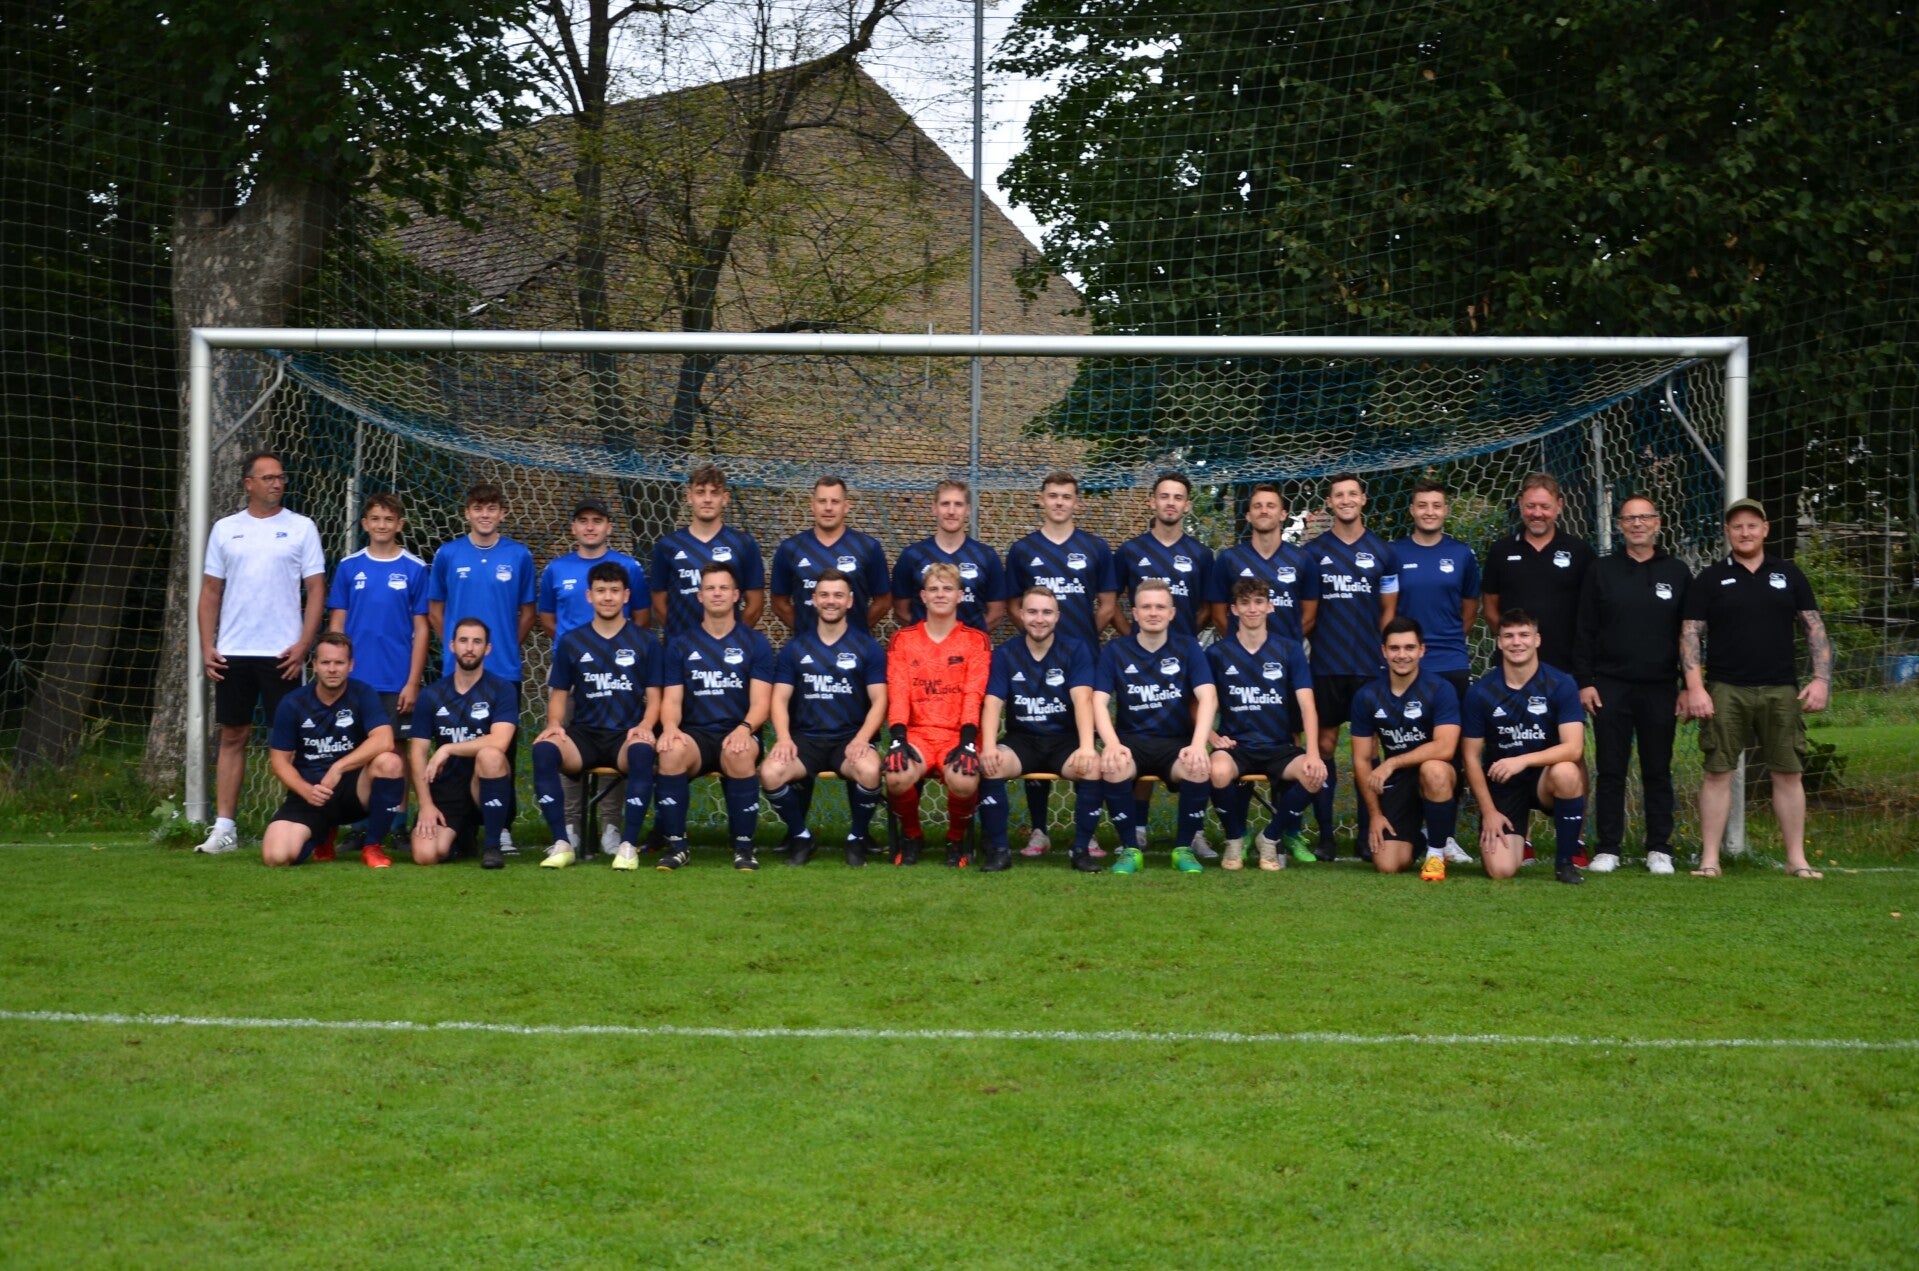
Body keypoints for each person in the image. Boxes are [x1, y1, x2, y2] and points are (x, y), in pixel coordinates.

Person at [1681, 498, 1832, 880]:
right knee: (1717, 771)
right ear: (1728, 533)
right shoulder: (1710, 578)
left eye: (1752, 525)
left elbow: (1813, 627)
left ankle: (1796, 859)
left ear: (1765, 529)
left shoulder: (1789, 575)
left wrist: (1821, 679)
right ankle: (1710, 859)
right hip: (1725, 688)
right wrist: (1695, 687)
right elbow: (1690, 634)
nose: (1744, 532)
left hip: (1782, 689)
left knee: (1788, 772)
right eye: (1736, 527)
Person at [194, 450, 327, 855]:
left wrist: (305, 644)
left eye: (280, 477)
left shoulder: (302, 528)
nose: (276, 483)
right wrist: (207, 646)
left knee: (295, 741)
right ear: (248, 483)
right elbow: (211, 591)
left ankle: (306, 823)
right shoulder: (224, 529)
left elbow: (317, 589)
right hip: (233, 652)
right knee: (232, 735)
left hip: (283, 654)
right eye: (267, 477)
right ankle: (224, 828)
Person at [1573, 495, 1693, 875]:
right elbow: (1584, 630)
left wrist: (1690, 685)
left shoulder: (1677, 572)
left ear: (1657, 523)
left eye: (1645, 517)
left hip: (1660, 687)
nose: (1637, 524)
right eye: (1630, 518)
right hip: (1610, 686)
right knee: (1610, 769)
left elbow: (1689, 635)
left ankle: (1659, 848)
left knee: (1657, 769)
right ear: (1620, 525)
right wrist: (1585, 682)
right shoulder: (1601, 570)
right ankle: (1608, 847)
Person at [1004, 471, 1119, 854]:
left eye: (1066, 497)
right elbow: (1011, 604)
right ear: (1041, 499)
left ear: (1077, 503)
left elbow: (1106, 605)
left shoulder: (1096, 548)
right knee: (1034, 733)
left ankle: (1085, 832)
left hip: (1081, 662)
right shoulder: (1023, 550)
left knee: (1083, 744)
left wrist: (1080, 634)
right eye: (1052, 496)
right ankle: (1040, 829)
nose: (1059, 502)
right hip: (1034, 661)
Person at [530, 561, 664, 871]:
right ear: (589, 596)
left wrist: (645, 725)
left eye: (614, 591)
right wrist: (553, 725)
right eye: (601, 591)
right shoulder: (572, 641)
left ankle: (628, 845)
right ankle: (563, 842)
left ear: (626, 595)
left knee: (643, 752)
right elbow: (560, 693)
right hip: (584, 736)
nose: (607, 597)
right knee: (544, 750)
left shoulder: (645, 642)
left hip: (624, 736)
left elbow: (656, 695)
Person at [426, 482, 536, 852]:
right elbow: (436, 608)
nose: (485, 515)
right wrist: (456, 648)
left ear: (502, 513)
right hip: (455, 675)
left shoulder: (519, 556)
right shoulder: (448, 554)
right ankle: (456, 826)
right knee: (453, 751)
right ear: (467, 513)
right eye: (478, 508)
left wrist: (501, 646)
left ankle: (501, 827)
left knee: (499, 753)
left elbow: (528, 611)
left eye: (492, 508)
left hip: (502, 671)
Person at [537, 495, 649, 856]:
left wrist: (614, 650)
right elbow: (546, 618)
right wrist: (581, 649)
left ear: (608, 526)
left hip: (620, 667)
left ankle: (611, 827)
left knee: (618, 736)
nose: (589, 526)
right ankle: (569, 827)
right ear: (573, 527)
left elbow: (642, 617)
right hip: (572, 668)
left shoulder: (627, 566)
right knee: (565, 743)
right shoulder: (556, 568)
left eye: (597, 520)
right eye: (582, 520)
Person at [759, 569, 888, 867]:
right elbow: (779, 698)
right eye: (825, 595)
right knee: (770, 773)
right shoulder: (795, 647)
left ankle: (856, 838)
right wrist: (784, 738)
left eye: (838, 595)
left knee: (869, 771)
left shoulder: (867, 647)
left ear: (850, 601)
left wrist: (862, 739)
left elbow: (880, 700)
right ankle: (801, 836)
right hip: (805, 741)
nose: (831, 601)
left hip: (848, 739)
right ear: (814, 600)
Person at [326, 493, 430, 860]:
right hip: (355, 681)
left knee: (396, 752)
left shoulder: (415, 568)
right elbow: (337, 624)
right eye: (375, 518)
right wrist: (334, 671)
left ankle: (397, 824)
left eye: (389, 519)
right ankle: (359, 824)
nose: (382, 524)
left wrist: (412, 680)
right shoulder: (349, 566)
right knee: (356, 750)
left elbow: (422, 629)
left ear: (400, 524)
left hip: (395, 679)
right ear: (365, 523)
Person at [654, 563, 777, 871]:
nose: (717, 593)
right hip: (695, 736)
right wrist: (670, 727)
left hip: (737, 729)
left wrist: (745, 729)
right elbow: (671, 699)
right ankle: (677, 846)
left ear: (736, 595)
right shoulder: (681, 644)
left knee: (739, 752)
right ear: (699, 596)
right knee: (669, 750)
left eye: (723, 588)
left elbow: (762, 702)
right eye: (710, 588)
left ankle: (744, 848)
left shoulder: (755, 643)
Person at [1092, 578, 1218, 875]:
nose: (1153, 613)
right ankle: (1129, 849)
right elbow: (1098, 702)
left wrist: (1199, 745)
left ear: (1172, 613)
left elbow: (1208, 696)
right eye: (1146, 607)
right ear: (1134, 613)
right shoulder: (1116, 650)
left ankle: (1183, 848)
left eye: (1160, 607)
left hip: (1175, 744)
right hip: (1131, 742)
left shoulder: (1188, 647)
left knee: (1199, 767)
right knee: (1113, 766)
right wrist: (1111, 744)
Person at [1305, 473, 1400, 861]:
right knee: (1324, 745)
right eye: (1338, 495)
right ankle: (1326, 836)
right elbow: (1307, 610)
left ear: (1363, 499)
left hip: (1367, 666)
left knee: (1366, 749)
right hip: (1326, 664)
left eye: (1352, 494)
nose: (1345, 500)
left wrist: (1384, 658)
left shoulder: (1383, 551)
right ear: (1329, 503)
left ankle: (1367, 833)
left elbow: (1389, 610)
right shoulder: (1312, 552)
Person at [978, 587, 1101, 872]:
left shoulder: (1075, 649)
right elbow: (993, 703)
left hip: (1064, 741)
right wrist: (988, 747)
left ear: (1057, 617)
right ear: (1021, 615)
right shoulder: (1006, 653)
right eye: (1032, 612)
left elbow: (1083, 699)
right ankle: (998, 850)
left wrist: (1085, 746)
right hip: (1023, 741)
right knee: (991, 765)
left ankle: (1080, 850)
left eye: (1046, 612)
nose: (1039, 619)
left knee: (1093, 767)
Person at [1461, 609, 1589, 884]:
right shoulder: (1480, 691)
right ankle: (1512, 838)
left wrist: (1523, 760)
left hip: (1544, 778)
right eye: (1508, 636)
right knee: (1500, 871)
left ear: (1537, 640)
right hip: (1503, 783)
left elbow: (1574, 748)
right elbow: (1470, 757)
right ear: (1499, 642)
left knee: (1567, 771)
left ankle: (1566, 861)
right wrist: (1489, 812)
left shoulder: (1561, 683)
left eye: (1523, 635)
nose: (1516, 642)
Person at [1205, 579, 1325, 871]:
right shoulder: (1218, 654)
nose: (1252, 609)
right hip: (1237, 746)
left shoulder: (1289, 650)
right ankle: (1235, 837)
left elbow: (1307, 704)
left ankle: (1269, 838)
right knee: (1216, 770)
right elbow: (1199, 703)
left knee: (1315, 775)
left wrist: (1312, 751)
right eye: (1245, 603)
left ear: (1270, 606)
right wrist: (1211, 736)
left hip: (1279, 746)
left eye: (1259, 602)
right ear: (1233, 609)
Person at [259, 632, 406, 867]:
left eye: (339, 663)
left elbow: (384, 740)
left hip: (353, 791)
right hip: (311, 793)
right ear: (314, 665)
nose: (332, 669)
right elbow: (279, 761)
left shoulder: (363, 693)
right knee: (276, 857)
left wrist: (339, 767)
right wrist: (305, 790)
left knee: (390, 762)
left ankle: (373, 846)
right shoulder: (293, 702)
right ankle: (322, 834)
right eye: (326, 662)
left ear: (350, 665)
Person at [1388, 478, 1478, 864]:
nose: (1429, 511)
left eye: (1436, 505)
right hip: (1405, 667)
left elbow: (1470, 608)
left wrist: (1445, 641)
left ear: (1445, 510)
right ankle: (1405, 830)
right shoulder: (1393, 554)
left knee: (1448, 755)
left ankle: (1445, 835)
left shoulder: (1462, 554)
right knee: (1403, 745)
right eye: (1422, 505)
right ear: (1412, 510)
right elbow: (1388, 611)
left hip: (1450, 665)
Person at [882, 563, 992, 866]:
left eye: (947, 589)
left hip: (957, 734)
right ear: (923, 596)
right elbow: (899, 691)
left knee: (965, 779)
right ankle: (913, 835)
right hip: (917, 733)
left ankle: (956, 839)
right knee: (896, 775)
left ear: (960, 595)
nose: (940, 595)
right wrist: (897, 738)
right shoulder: (903, 639)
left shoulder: (976, 640)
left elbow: (974, 693)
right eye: (934, 589)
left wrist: (969, 741)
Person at [1350, 617, 1462, 880]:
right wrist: (1374, 815)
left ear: (1422, 650)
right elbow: (1362, 760)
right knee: (1387, 864)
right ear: (1384, 651)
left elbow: (1445, 747)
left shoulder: (1441, 689)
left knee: (1433, 769)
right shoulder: (1367, 696)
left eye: (1410, 648)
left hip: (1439, 775)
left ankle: (1435, 855)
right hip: (1398, 782)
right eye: (1395, 648)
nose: (1402, 655)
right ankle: (1419, 841)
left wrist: (1391, 762)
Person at [408, 618, 520, 868]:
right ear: (452, 645)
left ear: (487, 648)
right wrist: (425, 805)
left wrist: (448, 748)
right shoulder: (431, 694)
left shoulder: (502, 689)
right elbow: (417, 753)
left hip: (484, 783)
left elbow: (500, 741)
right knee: (426, 855)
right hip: (447, 789)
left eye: (477, 642)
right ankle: (463, 838)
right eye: (464, 641)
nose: (470, 647)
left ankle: (492, 846)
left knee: (490, 756)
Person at [1480, 472, 1595, 672]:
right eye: (1531, 506)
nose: (1537, 513)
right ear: (1520, 503)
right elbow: (1489, 608)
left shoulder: (1580, 551)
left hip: (1566, 667)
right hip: (1513, 667)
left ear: (1559, 505)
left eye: (1545, 506)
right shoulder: (1501, 550)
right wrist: (1514, 643)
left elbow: (1592, 611)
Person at [650, 464, 766, 640]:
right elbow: (659, 603)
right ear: (689, 497)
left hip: (729, 650)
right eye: (700, 492)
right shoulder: (668, 545)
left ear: (725, 498)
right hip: (681, 652)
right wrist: (682, 641)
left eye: (714, 492)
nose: (707, 499)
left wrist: (732, 638)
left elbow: (755, 604)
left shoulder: (743, 544)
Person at [770, 475, 892, 637]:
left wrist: (856, 631)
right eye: (822, 501)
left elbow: (883, 602)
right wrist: (807, 633)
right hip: (807, 649)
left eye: (835, 501)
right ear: (812, 506)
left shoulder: (868, 547)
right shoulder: (790, 549)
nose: (828, 508)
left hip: (855, 648)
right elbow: (779, 603)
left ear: (846, 506)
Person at [1207, 482, 1319, 643]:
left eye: (1271, 506)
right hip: (1242, 661)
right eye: (1257, 506)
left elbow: (1309, 617)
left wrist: (1285, 648)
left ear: (1283, 514)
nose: (1264, 511)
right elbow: (1218, 616)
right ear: (1248, 515)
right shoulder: (1229, 559)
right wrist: (1240, 647)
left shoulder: (1302, 559)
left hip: (1285, 660)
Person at [891, 478, 1006, 635]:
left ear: (968, 509)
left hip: (971, 652)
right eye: (945, 504)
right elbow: (901, 611)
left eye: (958, 504)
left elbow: (996, 613)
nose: (951, 511)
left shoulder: (987, 556)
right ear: (934, 508)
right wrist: (927, 638)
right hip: (924, 652)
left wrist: (969, 640)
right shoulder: (912, 555)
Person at [1115, 471, 1214, 638]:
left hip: (1183, 654)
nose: (1170, 503)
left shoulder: (1201, 554)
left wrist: (1186, 636)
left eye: (1178, 498)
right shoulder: (1130, 550)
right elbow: (1110, 602)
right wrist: (1131, 638)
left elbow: (1209, 608)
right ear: (1152, 502)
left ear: (1187, 505)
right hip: (1140, 652)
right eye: (1164, 496)